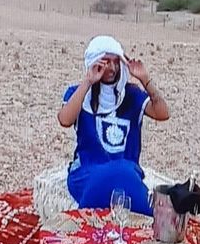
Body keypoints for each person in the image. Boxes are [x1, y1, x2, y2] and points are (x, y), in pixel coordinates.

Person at [58, 35, 170, 216]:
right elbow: (65, 120)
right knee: (121, 173)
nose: (111, 68)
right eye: (105, 62)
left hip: (126, 173)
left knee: (124, 173)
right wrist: (88, 81)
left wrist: (145, 80)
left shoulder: (132, 94)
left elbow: (163, 114)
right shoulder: (77, 93)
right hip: (88, 172)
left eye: (116, 62)